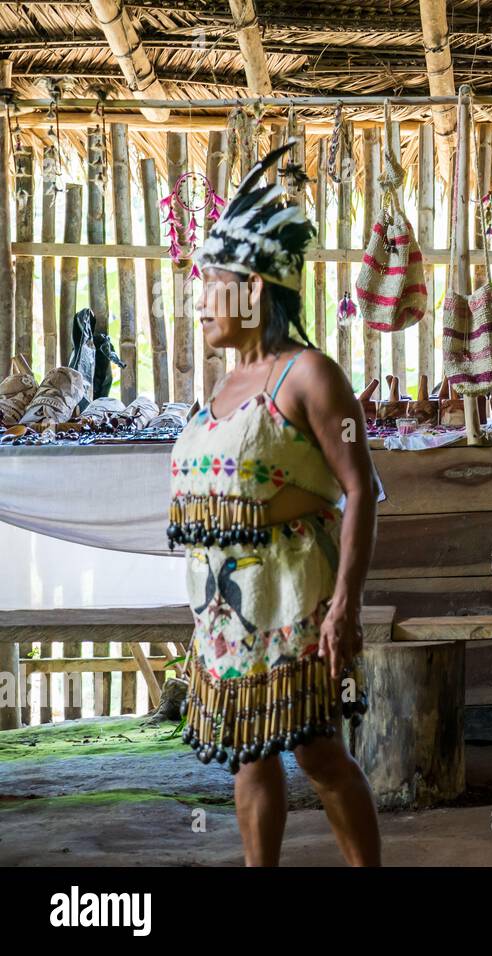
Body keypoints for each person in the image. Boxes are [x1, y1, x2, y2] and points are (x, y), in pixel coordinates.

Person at [169, 142, 382, 866]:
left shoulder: (309, 375)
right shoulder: (222, 387)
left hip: (298, 601)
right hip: (227, 607)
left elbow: (362, 488)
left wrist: (345, 604)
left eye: (212, 285)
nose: (199, 301)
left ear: (255, 291)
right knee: (248, 757)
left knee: (319, 754)